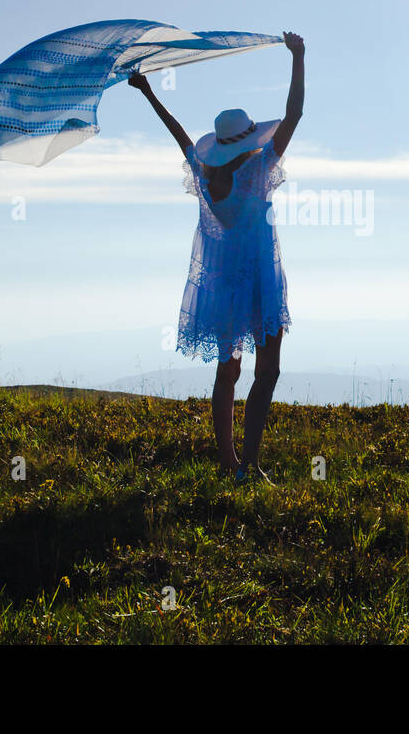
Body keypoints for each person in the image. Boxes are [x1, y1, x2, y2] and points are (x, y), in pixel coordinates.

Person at [128, 31, 305, 483]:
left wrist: (148, 92)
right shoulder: (261, 165)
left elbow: (178, 133)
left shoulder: (205, 175)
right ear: (246, 140)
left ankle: (230, 465)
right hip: (262, 276)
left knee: (228, 374)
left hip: (223, 282)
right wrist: (297, 57)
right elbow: (294, 114)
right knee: (267, 372)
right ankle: (250, 463)